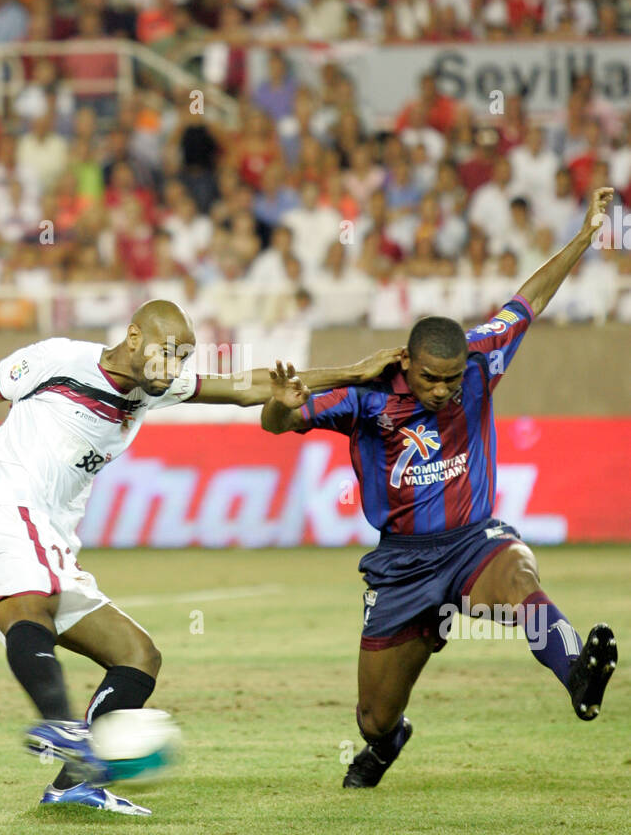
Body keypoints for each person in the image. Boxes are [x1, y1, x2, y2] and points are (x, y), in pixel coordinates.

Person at [0, 298, 400, 814]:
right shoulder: (57, 359)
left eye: (183, 355)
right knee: (32, 604)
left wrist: (353, 373)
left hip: (50, 543)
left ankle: (75, 784)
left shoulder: (155, 387)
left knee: (138, 656)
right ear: (134, 336)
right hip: (4, 513)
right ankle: (63, 726)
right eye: (166, 349)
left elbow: (245, 387)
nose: (173, 364)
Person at [261, 189, 619, 788]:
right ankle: (385, 744)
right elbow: (277, 424)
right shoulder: (367, 393)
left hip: (473, 543)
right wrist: (278, 405)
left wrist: (584, 238)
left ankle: (578, 671)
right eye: (431, 379)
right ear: (408, 363)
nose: (444, 391)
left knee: (519, 578)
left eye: (452, 381)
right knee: (374, 716)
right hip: (402, 565)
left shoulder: (481, 359)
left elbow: (528, 300)